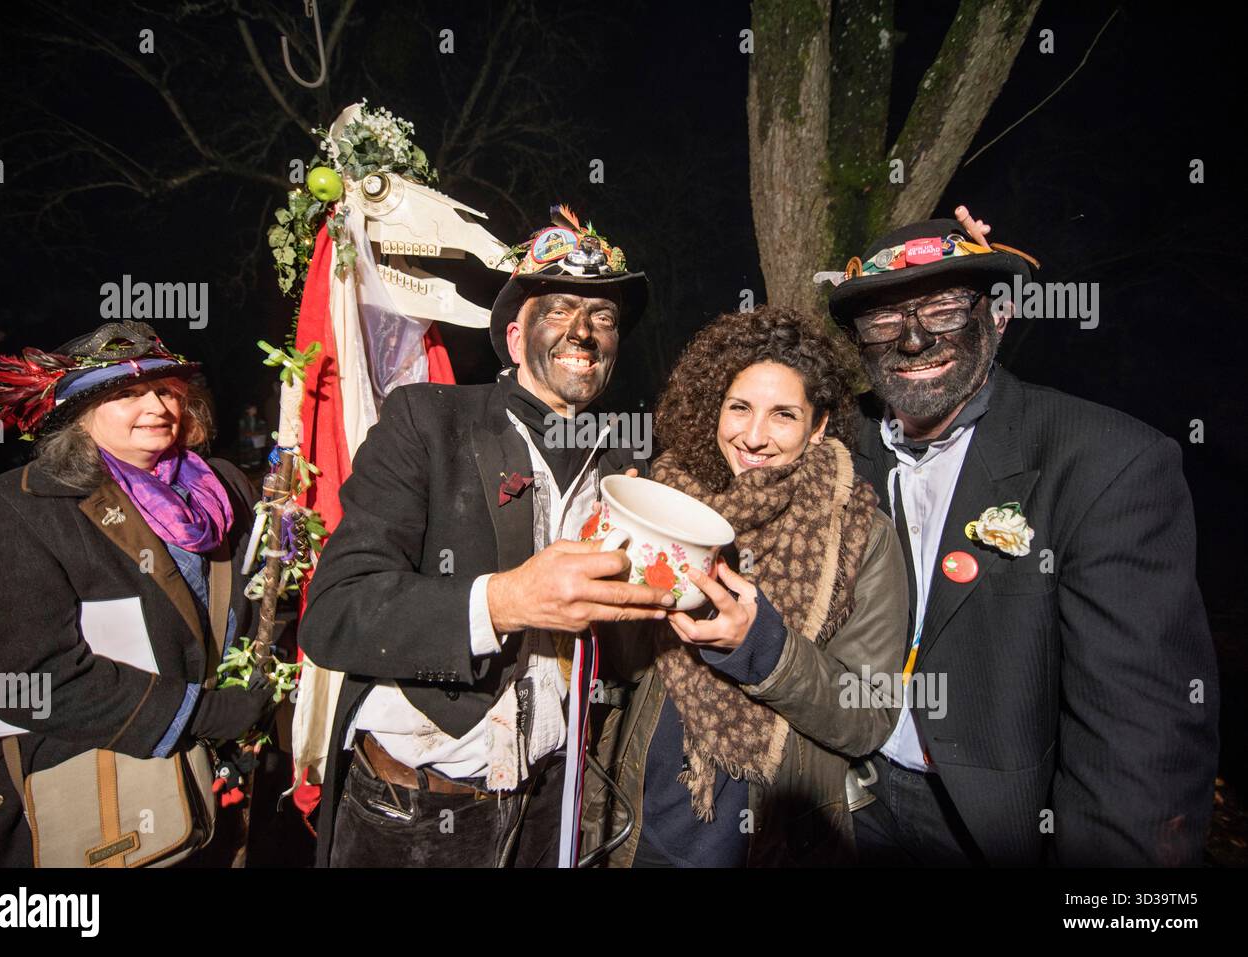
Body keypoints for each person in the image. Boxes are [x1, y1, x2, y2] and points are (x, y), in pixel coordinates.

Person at [828, 212, 1220, 865]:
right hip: (848, 796)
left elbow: (1141, 742)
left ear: (1000, 316)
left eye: (946, 307)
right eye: (885, 319)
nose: (916, 338)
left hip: (993, 826)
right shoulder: (840, 443)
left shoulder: (1105, 462)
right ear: (860, 342)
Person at [298, 210, 673, 867]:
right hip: (416, 813)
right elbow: (336, 612)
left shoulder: (622, 468)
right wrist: (503, 601)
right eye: (557, 309)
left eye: (604, 317)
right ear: (513, 332)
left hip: (552, 800)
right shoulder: (426, 421)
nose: (583, 330)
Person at [581, 306, 909, 867]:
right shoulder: (670, 496)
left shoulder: (859, 531)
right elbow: (619, 672)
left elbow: (869, 716)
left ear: (819, 424)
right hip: (636, 831)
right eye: (739, 408)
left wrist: (762, 648)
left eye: (783, 414)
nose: (753, 436)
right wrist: (616, 560)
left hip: (771, 844)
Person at [0, 320, 275, 868]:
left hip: (233, 778)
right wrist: (199, 713)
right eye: (127, 394)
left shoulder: (223, 487)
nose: (158, 406)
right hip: (104, 786)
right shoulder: (16, 507)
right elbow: (25, 679)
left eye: (168, 390)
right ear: (80, 414)